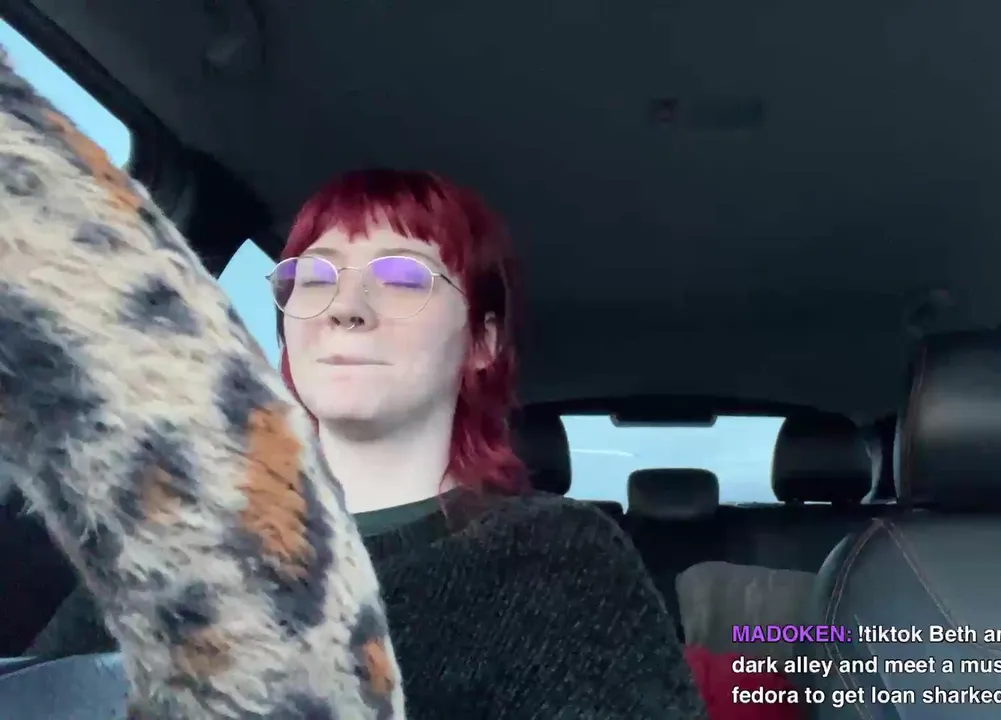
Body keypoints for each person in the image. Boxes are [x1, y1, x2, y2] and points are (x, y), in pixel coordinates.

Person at [24, 167, 708, 717]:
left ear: (481, 342)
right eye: (314, 278)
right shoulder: (174, 540)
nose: (345, 308)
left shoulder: (554, 558)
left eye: (403, 277)